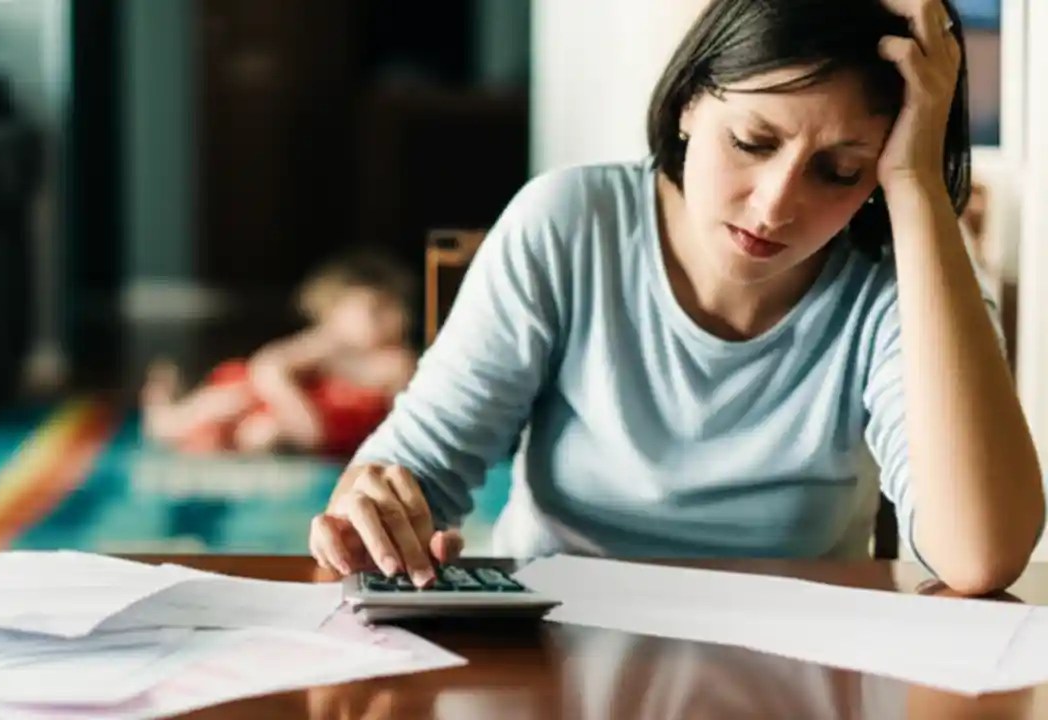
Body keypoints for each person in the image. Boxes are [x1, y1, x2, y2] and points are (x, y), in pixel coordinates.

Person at [308, 0, 1045, 594]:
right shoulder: (568, 224)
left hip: (788, 675)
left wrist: (919, 184)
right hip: (557, 652)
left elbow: (977, 557)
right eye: (753, 142)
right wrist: (372, 510)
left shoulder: (900, 288)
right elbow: (417, 471)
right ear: (691, 102)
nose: (773, 206)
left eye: (841, 171)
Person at [142, 251, 417, 458]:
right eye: (376, 310)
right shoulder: (328, 344)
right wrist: (300, 417)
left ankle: (193, 429)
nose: (396, 319)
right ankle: (171, 421)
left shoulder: (396, 362)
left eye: (399, 308)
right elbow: (269, 366)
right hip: (280, 407)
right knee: (231, 403)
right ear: (333, 314)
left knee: (262, 431)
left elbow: (402, 421)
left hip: (311, 428)